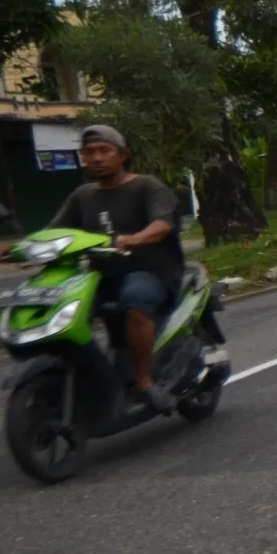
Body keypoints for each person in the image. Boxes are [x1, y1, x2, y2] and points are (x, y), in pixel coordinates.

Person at [46, 125, 187, 411]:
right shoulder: (82, 196)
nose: (96, 158)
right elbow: (55, 231)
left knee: (135, 304)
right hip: (103, 275)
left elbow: (163, 224)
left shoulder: (147, 186)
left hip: (150, 270)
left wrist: (137, 237)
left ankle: (144, 381)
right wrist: (19, 248)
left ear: (122, 155)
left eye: (104, 151)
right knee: (63, 311)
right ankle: (89, 376)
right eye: (89, 152)